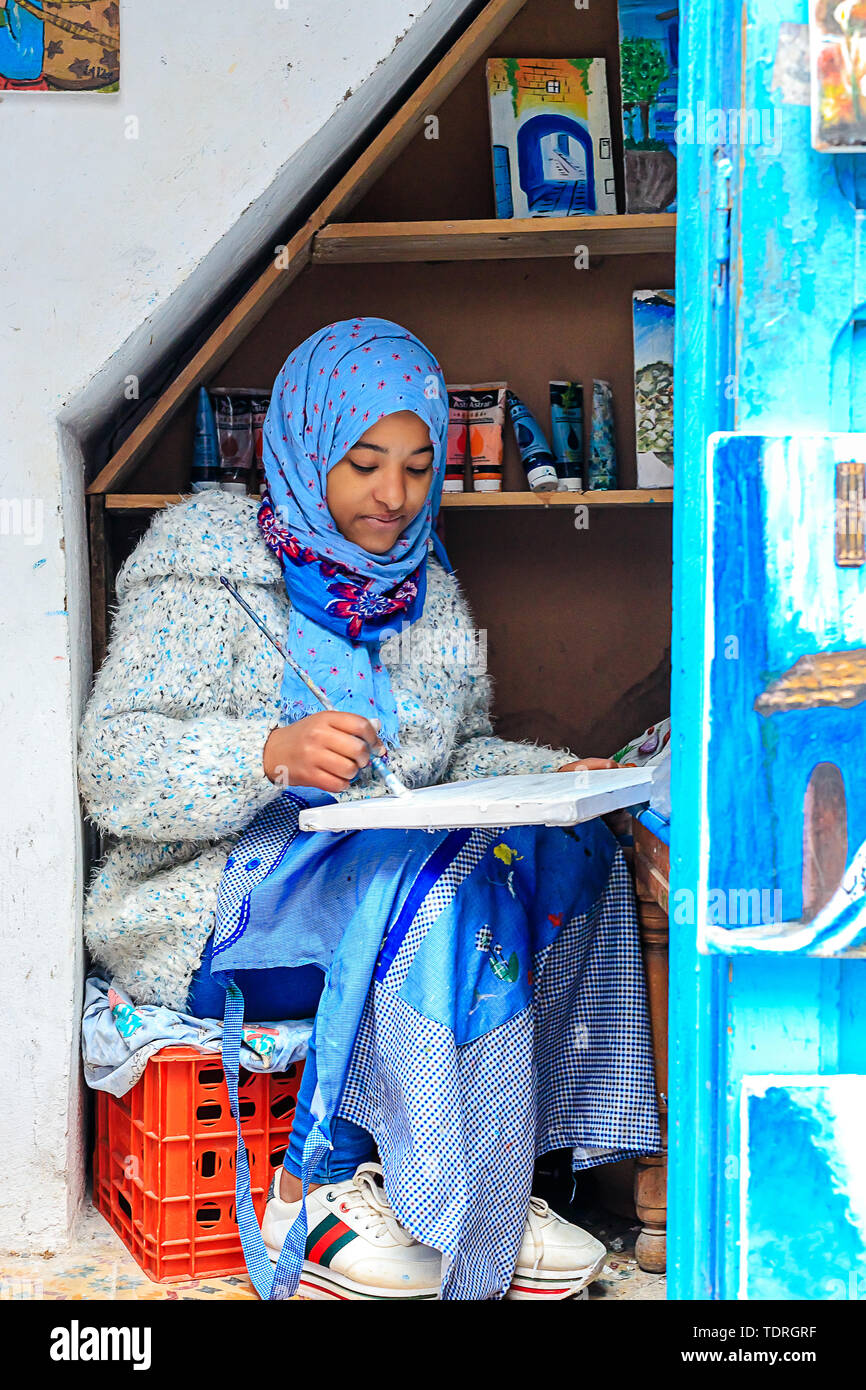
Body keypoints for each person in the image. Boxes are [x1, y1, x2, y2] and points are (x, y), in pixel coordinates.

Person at [79, 316, 660, 1301]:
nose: (392, 497)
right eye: (362, 463)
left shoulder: (425, 586)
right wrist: (265, 753)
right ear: (304, 448)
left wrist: (558, 772)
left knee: (570, 856)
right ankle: (333, 1188)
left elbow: (456, 754)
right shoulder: (203, 568)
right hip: (212, 901)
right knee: (443, 878)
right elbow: (114, 763)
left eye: (416, 465)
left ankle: (490, 1178)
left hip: (363, 874)